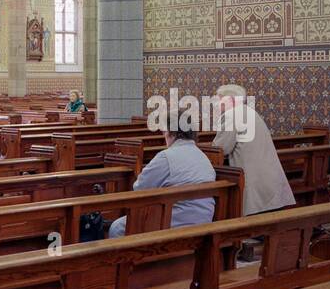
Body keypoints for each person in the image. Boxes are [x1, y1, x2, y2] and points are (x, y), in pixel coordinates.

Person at [108, 116, 215, 237]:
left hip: (177, 222)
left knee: (117, 227)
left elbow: (139, 188)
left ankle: (139, 256)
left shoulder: (166, 157)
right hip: (204, 221)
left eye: (164, 131)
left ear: (171, 133)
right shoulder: (203, 157)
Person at [212, 84, 295, 215]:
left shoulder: (230, 115)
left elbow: (221, 149)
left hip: (252, 178)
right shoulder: (251, 112)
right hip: (267, 176)